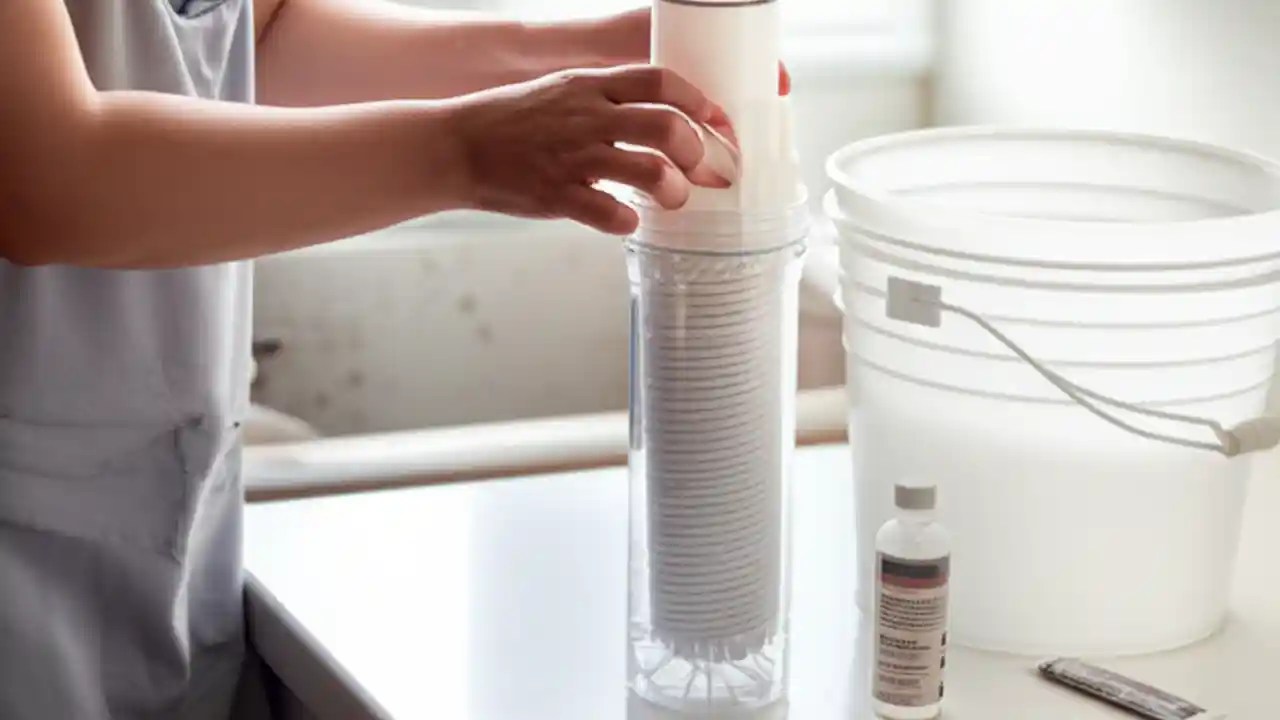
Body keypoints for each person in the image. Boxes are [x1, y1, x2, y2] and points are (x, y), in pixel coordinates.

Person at [0, 1, 787, 718]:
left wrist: (568, 55)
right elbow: (44, 175)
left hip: (165, 523)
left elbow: (254, 40)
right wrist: (465, 149)